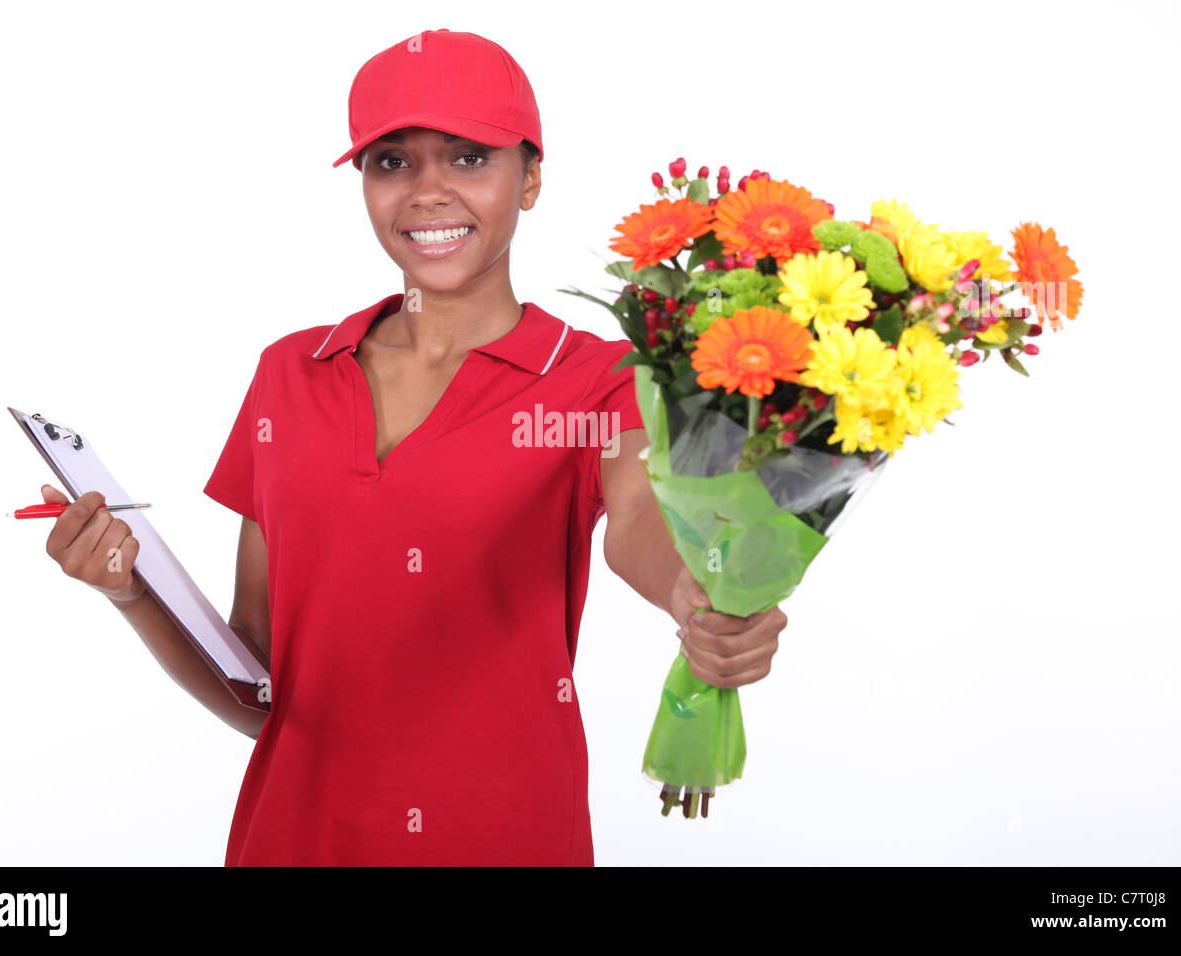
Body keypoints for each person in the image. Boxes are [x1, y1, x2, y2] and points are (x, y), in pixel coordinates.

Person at [40, 28, 789, 866]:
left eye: (469, 158)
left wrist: (695, 596)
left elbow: (639, 516)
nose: (428, 192)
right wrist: (132, 591)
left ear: (532, 177)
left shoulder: (595, 378)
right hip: (293, 843)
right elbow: (261, 690)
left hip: (505, 842)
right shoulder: (290, 373)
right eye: (392, 162)